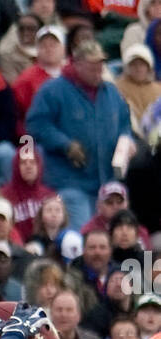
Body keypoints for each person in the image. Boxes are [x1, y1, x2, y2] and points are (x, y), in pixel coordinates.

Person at [25, 39, 133, 231]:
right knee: (81, 234)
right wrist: (65, 144)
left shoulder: (111, 92)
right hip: (69, 181)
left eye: (100, 65)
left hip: (106, 182)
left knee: (108, 238)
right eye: (92, 66)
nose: (98, 71)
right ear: (77, 64)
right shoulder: (53, 90)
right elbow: (36, 123)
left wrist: (127, 143)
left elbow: (125, 122)